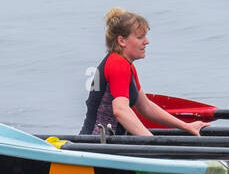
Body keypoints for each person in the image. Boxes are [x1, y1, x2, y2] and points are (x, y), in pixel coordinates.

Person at [81, 8, 204, 137]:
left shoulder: (126, 65)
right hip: (95, 145)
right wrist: (152, 142)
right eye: (140, 37)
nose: (147, 41)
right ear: (122, 41)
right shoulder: (117, 64)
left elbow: (145, 107)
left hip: (110, 143)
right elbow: (120, 110)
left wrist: (186, 126)